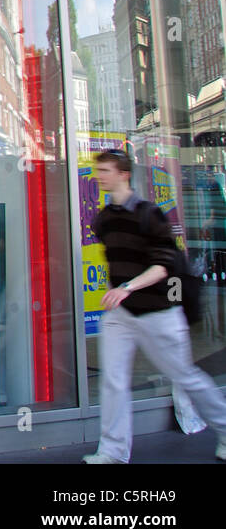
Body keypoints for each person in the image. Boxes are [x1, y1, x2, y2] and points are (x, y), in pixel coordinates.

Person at [84, 148, 226, 464]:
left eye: (105, 170)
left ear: (123, 174)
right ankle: (112, 451)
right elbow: (117, 263)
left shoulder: (149, 214)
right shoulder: (104, 219)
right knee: (114, 381)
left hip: (158, 311)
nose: (99, 176)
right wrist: (116, 293)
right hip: (122, 314)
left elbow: (162, 265)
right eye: (98, 171)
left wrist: (126, 288)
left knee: (186, 376)